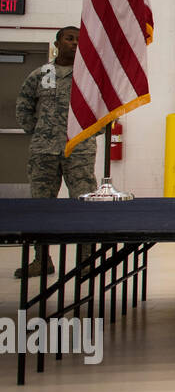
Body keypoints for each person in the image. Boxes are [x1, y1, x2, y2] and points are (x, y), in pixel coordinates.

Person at [14, 26, 96, 277]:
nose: (74, 43)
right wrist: (39, 132)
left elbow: (102, 111)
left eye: (79, 40)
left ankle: (86, 260)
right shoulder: (41, 74)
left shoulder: (88, 77)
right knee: (42, 207)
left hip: (78, 150)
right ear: (57, 43)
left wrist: (88, 135)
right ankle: (41, 260)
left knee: (84, 205)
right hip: (44, 152)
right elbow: (24, 106)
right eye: (69, 39)